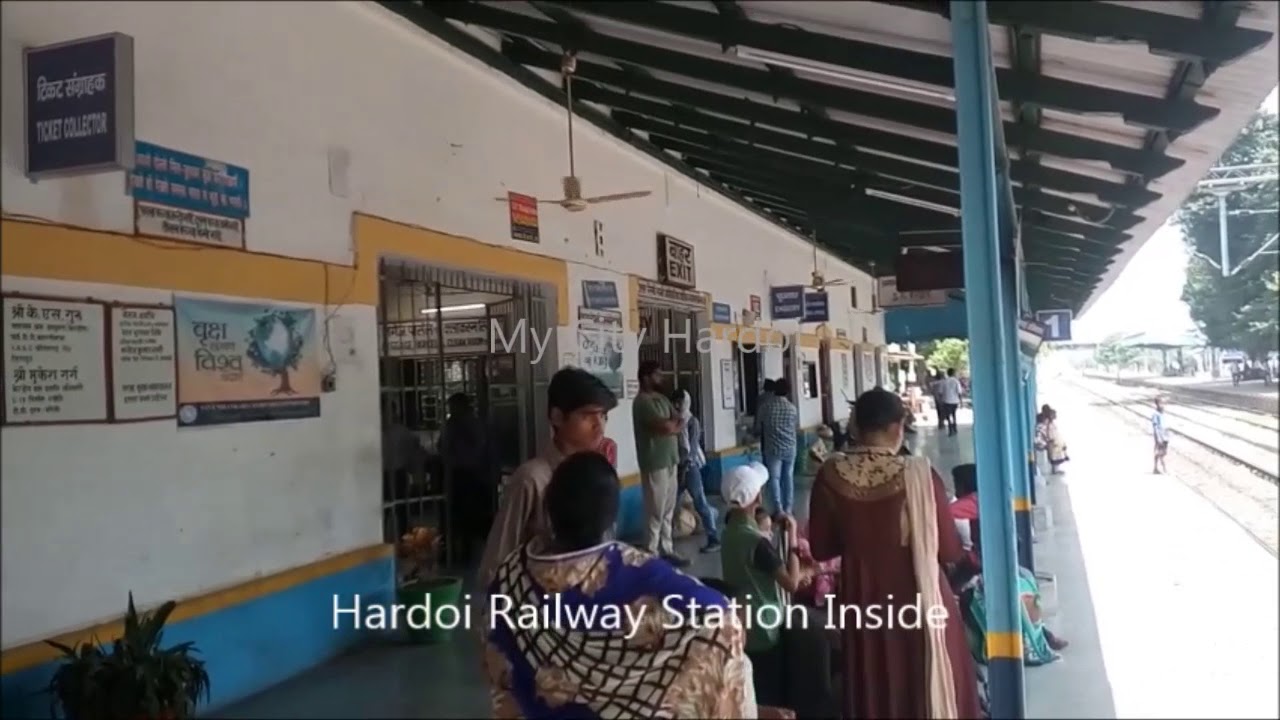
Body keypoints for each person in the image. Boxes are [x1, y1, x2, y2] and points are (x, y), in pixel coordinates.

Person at [483, 451, 755, 718]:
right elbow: (719, 618)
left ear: (549, 508)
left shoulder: (510, 575)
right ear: (611, 516)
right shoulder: (638, 571)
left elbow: (495, 651)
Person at [809, 388, 981, 719]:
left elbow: (822, 547)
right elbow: (948, 551)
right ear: (897, 426)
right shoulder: (920, 475)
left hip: (863, 600)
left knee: (872, 680)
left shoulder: (829, 476)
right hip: (918, 597)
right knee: (926, 679)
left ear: (856, 425)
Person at [476, 367, 617, 590]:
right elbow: (495, 565)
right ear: (557, 417)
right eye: (586, 416)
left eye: (603, 416)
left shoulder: (599, 475)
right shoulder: (531, 479)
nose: (599, 426)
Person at [719, 463, 839, 718]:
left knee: (755, 690)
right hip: (766, 628)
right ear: (757, 497)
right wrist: (793, 537)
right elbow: (791, 583)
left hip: (743, 623)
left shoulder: (729, 534)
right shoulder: (758, 544)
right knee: (772, 691)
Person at [949, 463, 1067, 666]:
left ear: (964, 484)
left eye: (956, 485)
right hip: (1001, 560)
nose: (956, 490)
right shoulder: (991, 497)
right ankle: (1044, 635)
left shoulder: (974, 500)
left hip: (982, 563)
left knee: (950, 591)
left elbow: (947, 513)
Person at [632, 361, 688, 567]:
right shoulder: (642, 402)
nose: (661, 378)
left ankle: (667, 548)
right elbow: (666, 427)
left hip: (671, 460)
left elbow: (679, 421)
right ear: (646, 377)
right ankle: (651, 551)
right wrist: (673, 425)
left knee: (668, 509)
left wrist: (674, 425)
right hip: (654, 461)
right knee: (655, 508)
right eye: (657, 375)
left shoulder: (662, 398)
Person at [439, 393, 491, 565]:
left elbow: (478, 448)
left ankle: (465, 552)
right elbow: (443, 445)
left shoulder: (472, 425)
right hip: (456, 472)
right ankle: (452, 551)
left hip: (470, 474)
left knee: (467, 515)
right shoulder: (451, 424)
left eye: (454, 406)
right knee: (453, 514)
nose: (451, 410)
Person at [672, 389, 719, 552]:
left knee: (700, 502)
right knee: (672, 504)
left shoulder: (692, 422)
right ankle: (668, 542)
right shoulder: (674, 421)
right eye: (675, 402)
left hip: (690, 467)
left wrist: (684, 469)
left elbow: (691, 449)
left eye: (680, 402)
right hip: (678, 467)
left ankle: (713, 537)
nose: (677, 405)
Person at [755, 377, 800, 515]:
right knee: (788, 477)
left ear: (774, 390)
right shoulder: (792, 409)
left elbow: (757, 428)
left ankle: (778, 509)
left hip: (772, 448)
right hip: (790, 448)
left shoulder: (765, 407)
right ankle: (788, 508)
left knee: (774, 478)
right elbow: (795, 427)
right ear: (788, 391)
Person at [1040, 405, 1069, 474]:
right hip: (1052, 440)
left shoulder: (1050, 422)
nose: (1055, 416)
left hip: (1054, 440)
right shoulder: (1048, 422)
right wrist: (1050, 439)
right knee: (1054, 455)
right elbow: (1048, 431)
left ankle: (1055, 469)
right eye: (1054, 415)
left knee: (1056, 454)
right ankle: (1055, 470)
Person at [938, 368, 963, 436]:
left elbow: (940, 392)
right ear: (954, 373)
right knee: (954, 414)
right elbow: (959, 392)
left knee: (948, 416)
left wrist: (940, 401)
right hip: (955, 401)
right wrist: (961, 402)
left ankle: (950, 428)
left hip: (946, 401)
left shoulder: (944, 382)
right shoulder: (956, 381)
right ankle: (954, 427)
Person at [1151, 396, 1170, 474]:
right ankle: (1161, 468)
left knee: (1164, 452)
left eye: (1163, 404)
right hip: (1160, 435)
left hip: (1165, 434)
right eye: (1161, 404)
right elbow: (1155, 426)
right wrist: (1158, 437)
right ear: (1157, 404)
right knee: (1161, 451)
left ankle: (1157, 467)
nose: (1163, 405)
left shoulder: (1162, 413)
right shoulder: (1155, 414)